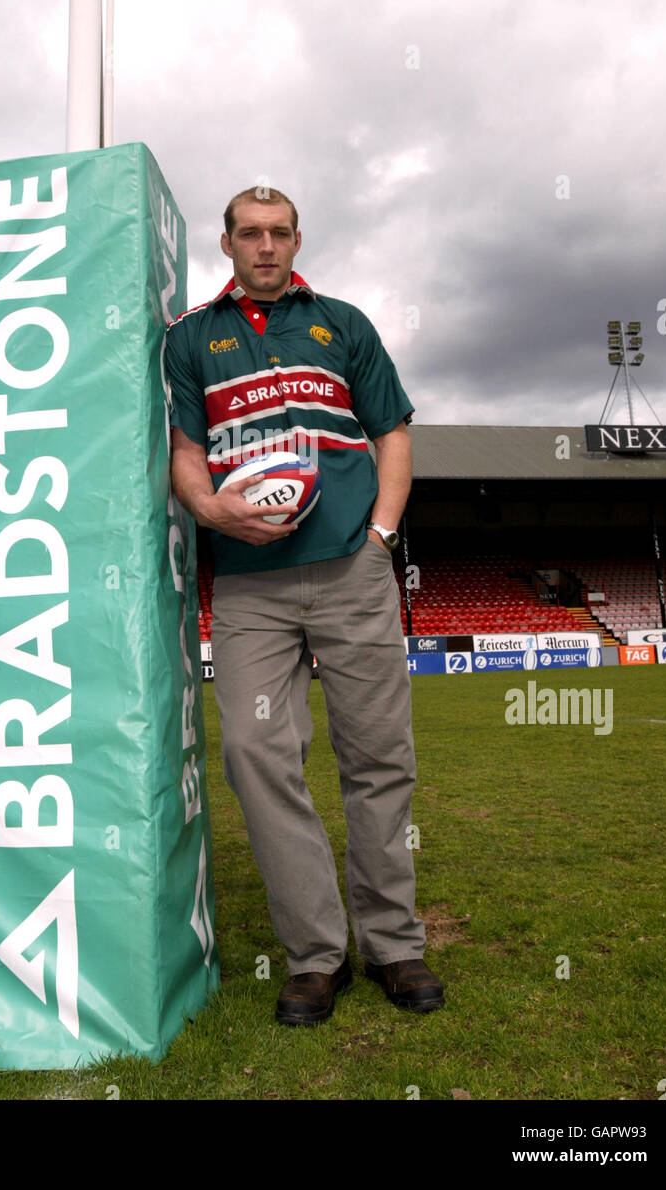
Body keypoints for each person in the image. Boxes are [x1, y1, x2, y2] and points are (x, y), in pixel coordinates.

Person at [165, 186, 444, 1025]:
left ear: (297, 239)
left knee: (377, 757)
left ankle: (393, 943)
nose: (265, 246)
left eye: (279, 232)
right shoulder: (190, 340)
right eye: (249, 233)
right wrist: (211, 510)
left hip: (352, 571)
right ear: (226, 244)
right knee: (255, 752)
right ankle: (316, 955)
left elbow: (391, 429)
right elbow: (185, 450)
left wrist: (382, 537)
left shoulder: (344, 323)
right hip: (251, 585)